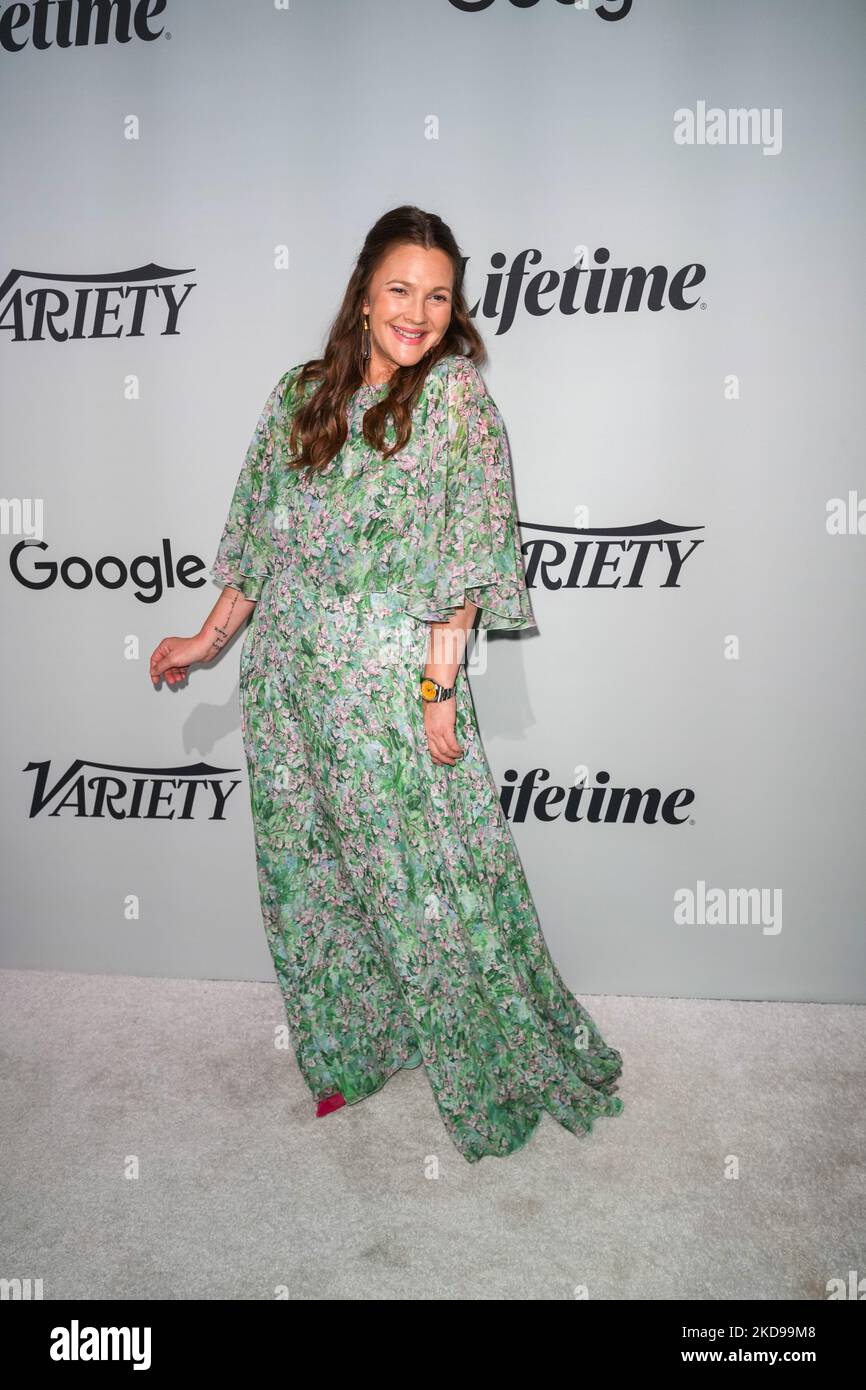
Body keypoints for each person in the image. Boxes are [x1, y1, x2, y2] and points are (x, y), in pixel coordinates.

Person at [149, 204, 624, 1163]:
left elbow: (469, 555)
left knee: (433, 886)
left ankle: (487, 1054)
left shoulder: (456, 401)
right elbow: (257, 542)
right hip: (288, 686)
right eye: (401, 289)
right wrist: (206, 643)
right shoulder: (300, 394)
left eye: (439, 295)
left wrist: (436, 693)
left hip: (388, 690)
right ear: (364, 294)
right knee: (312, 879)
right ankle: (353, 1049)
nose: (418, 311)